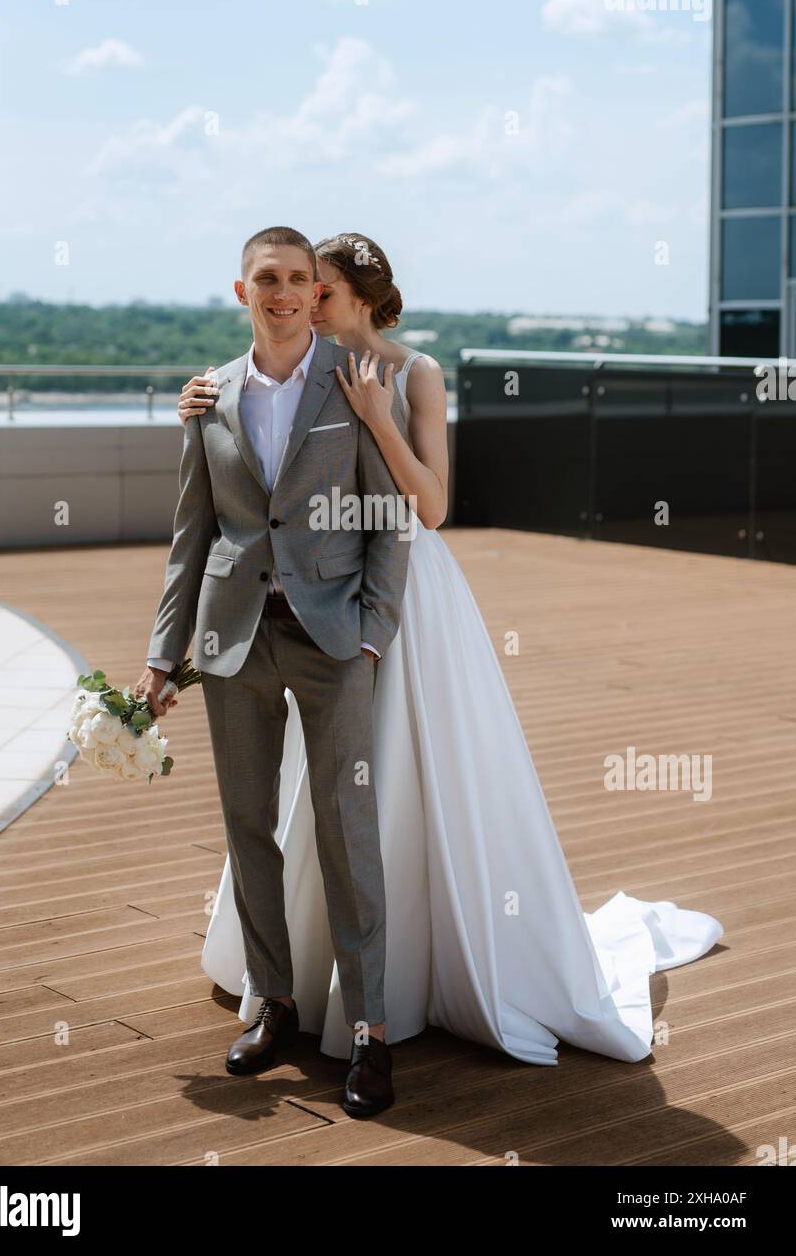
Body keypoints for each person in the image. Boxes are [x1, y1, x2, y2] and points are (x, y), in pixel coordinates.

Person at [177, 231, 725, 1069]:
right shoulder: (295, 370)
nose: (300, 303)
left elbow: (428, 507)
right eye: (288, 287)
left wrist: (373, 418)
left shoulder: (412, 373)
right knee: (323, 796)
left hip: (402, 588)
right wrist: (200, 398)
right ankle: (303, 979)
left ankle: (414, 982)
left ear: (354, 296)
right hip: (316, 597)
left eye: (317, 289)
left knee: (402, 784)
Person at [134, 226, 412, 1118]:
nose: (285, 292)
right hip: (233, 642)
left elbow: (389, 519)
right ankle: (273, 1003)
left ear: (314, 292)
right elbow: (191, 540)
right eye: (268, 279)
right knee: (248, 822)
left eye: (299, 279)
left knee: (346, 828)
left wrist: (373, 632)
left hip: (335, 641)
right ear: (241, 289)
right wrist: (160, 657)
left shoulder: (353, 383)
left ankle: (368, 1028)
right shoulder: (208, 397)